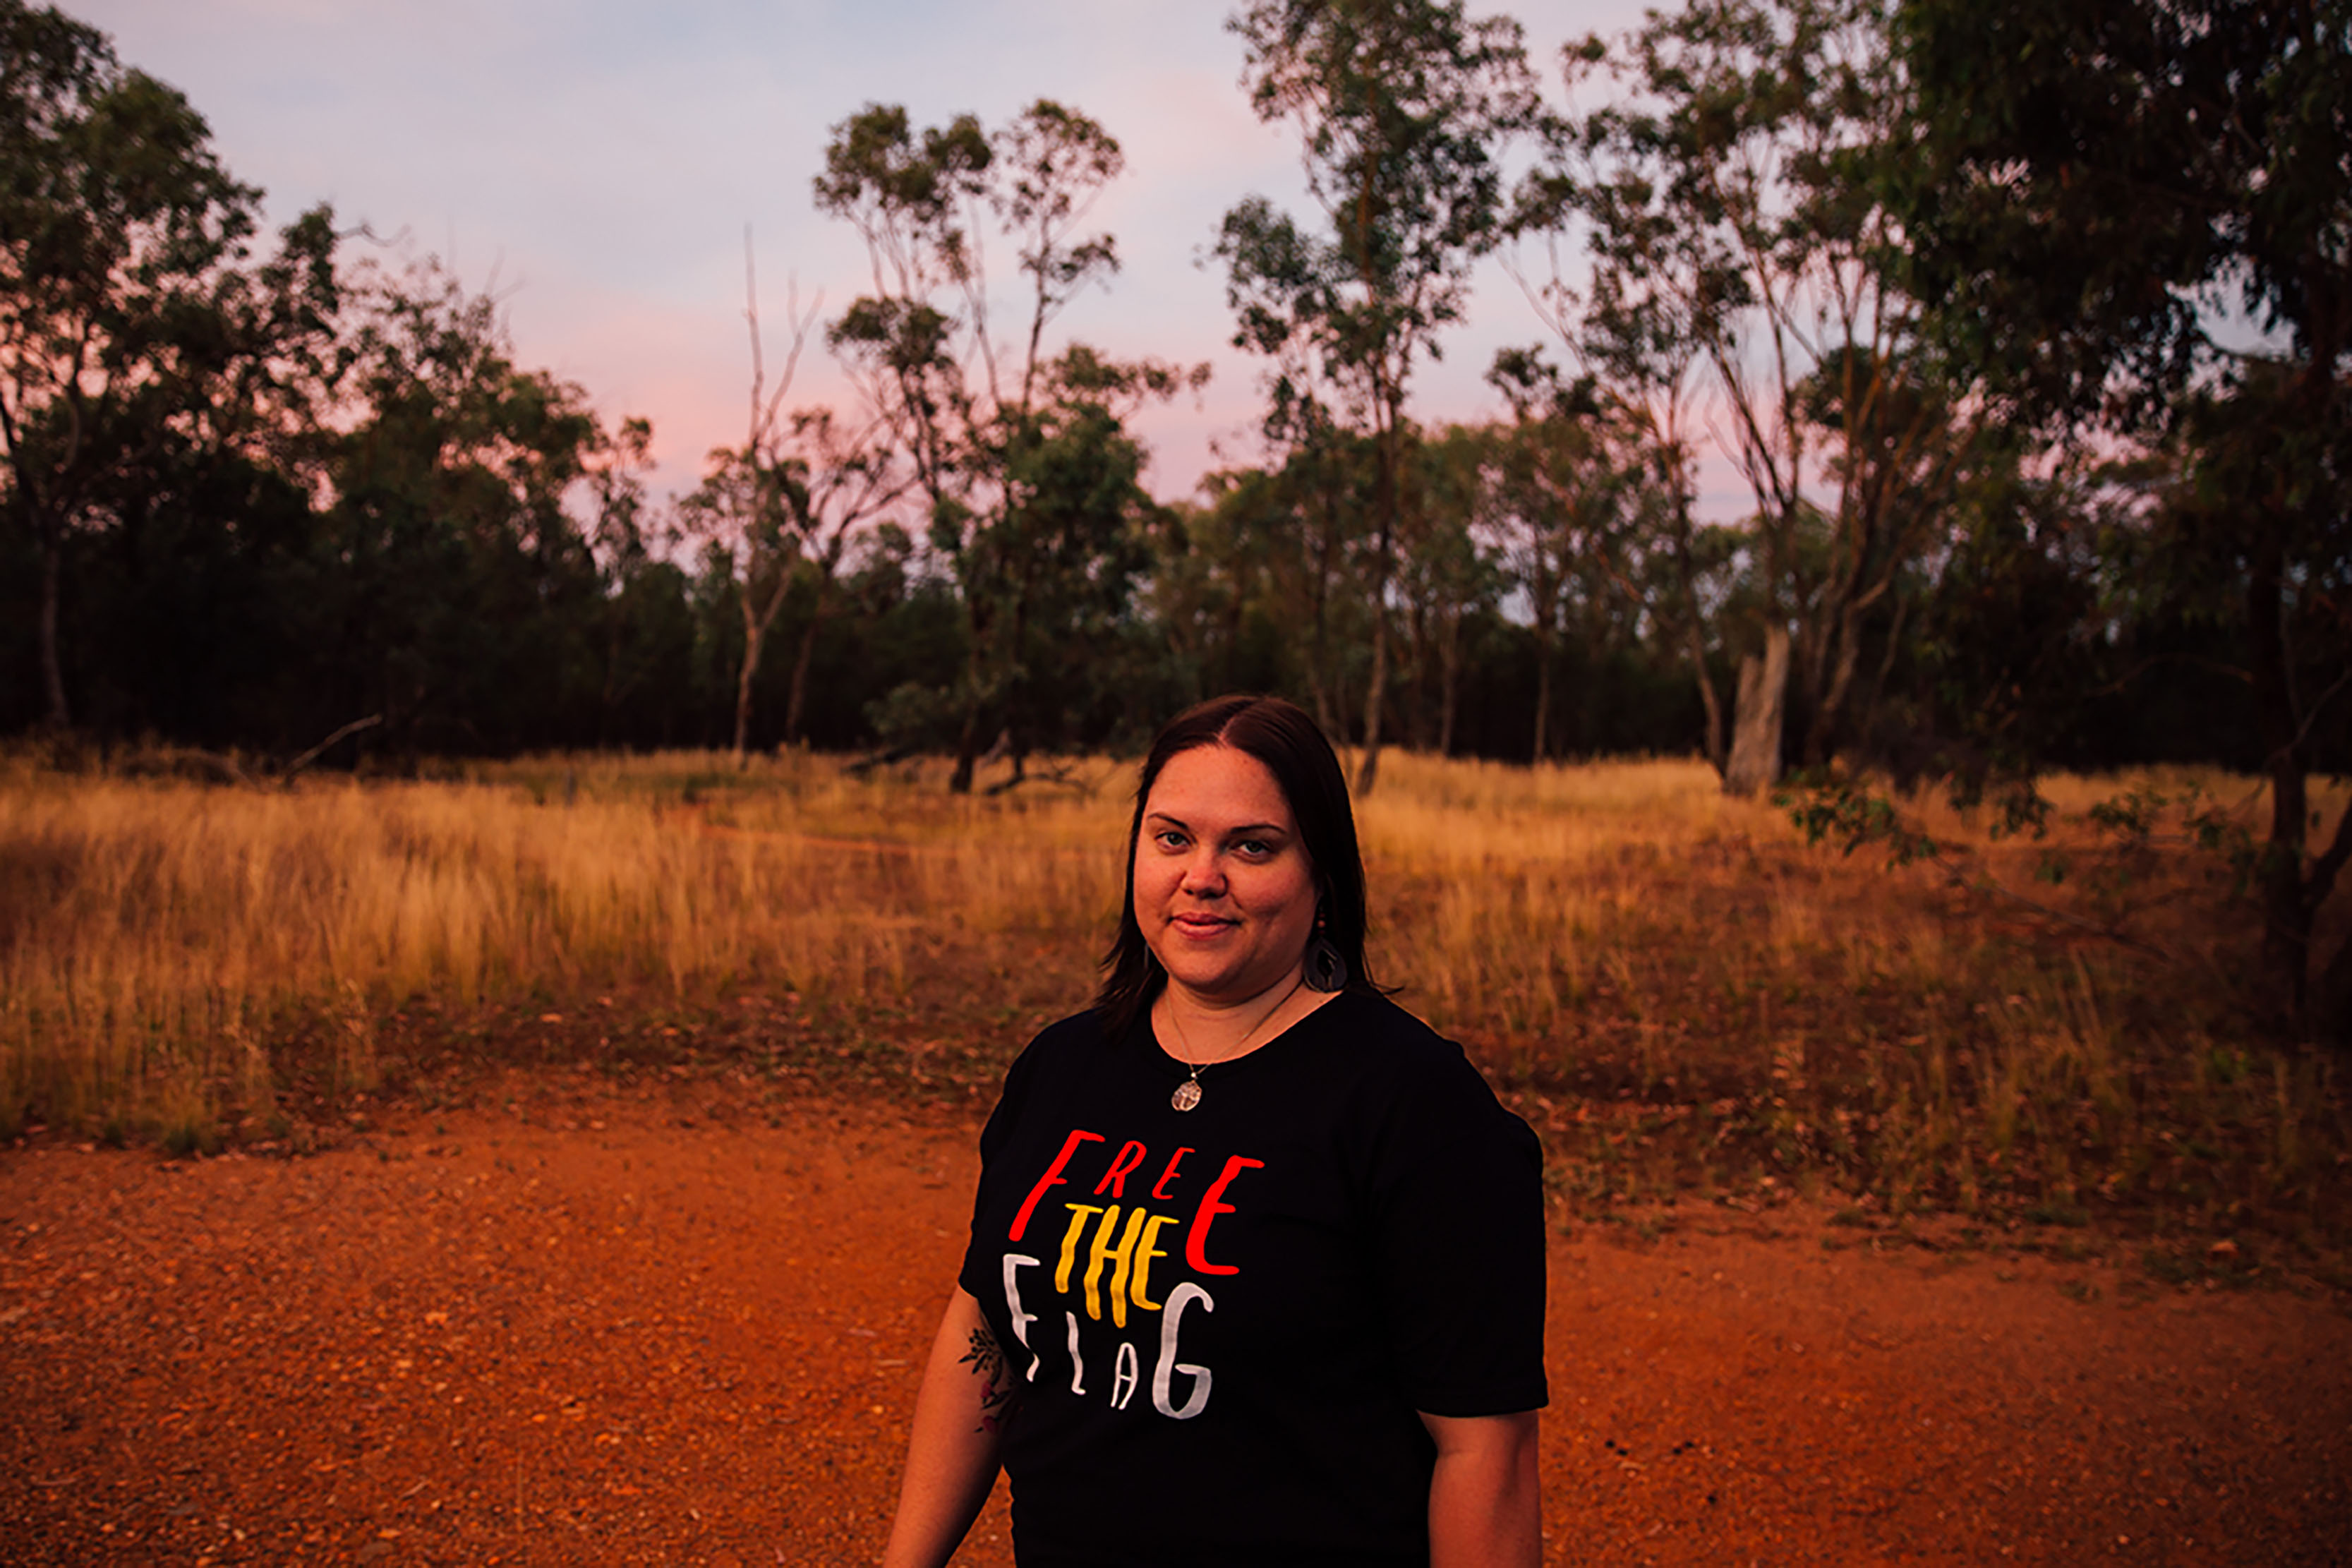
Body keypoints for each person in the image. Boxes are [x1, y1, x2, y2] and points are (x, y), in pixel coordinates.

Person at [881, 695, 1547, 1568]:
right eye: (1172, 838)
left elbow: (1484, 1454)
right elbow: (989, 1327)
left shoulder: (1416, 1105)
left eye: (1252, 845)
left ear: (1322, 875)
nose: (1202, 875)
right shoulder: (1064, 1067)